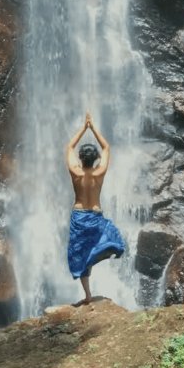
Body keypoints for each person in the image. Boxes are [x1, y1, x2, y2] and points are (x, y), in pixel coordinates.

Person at [65, 111, 125, 306]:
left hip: (79, 217)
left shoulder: (75, 172)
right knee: (111, 235)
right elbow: (106, 147)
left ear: (81, 159)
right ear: (95, 158)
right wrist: (93, 127)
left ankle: (88, 295)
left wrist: (83, 128)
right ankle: (109, 249)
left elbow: (69, 146)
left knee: (80, 253)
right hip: (96, 217)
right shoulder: (100, 172)